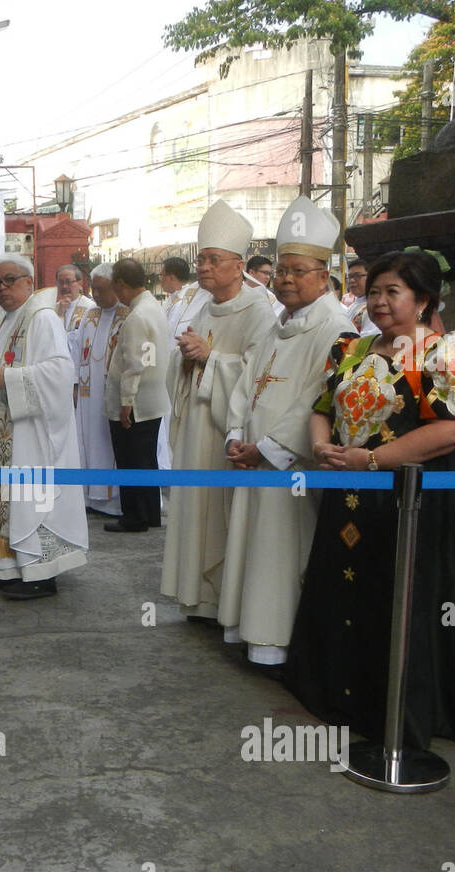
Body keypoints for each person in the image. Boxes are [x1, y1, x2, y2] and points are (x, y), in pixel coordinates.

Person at [285, 248, 455, 749]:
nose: (378, 301)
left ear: (422, 300)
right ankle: (340, 696)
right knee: (345, 586)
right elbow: (322, 407)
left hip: (411, 498)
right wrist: (320, 444)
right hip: (349, 490)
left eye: (392, 292)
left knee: (397, 594)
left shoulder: (447, 351)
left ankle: (395, 712)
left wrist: (374, 460)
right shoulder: (352, 348)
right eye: (373, 291)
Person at [219, 196, 356, 665]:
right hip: (254, 456)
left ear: (324, 276)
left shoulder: (336, 327)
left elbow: (319, 399)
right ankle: (247, 631)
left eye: (298, 271)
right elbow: (245, 381)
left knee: (279, 550)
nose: (286, 279)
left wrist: (270, 448)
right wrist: (235, 433)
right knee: (251, 542)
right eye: (281, 270)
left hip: (288, 464)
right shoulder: (281, 323)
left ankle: (276, 644)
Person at [161, 200, 278, 621]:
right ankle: (196, 596)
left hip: (225, 430)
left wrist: (211, 357)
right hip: (196, 425)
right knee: (194, 508)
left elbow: (258, 375)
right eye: (202, 259)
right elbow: (183, 362)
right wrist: (187, 358)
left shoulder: (259, 310)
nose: (204, 267)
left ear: (239, 265)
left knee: (221, 515)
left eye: (214, 260)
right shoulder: (202, 305)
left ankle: (219, 599)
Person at [0, 254, 88, 599]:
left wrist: (5, 378)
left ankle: (41, 573)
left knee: (34, 500)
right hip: (9, 429)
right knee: (10, 499)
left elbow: (60, 373)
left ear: (29, 282)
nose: (2, 288)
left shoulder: (42, 319)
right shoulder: (9, 320)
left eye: (10, 280)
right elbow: (0, 364)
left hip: (35, 435)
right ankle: (9, 566)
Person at [103, 257, 171, 533]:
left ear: (121, 284)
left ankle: (134, 517)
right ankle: (150, 513)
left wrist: (126, 403)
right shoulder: (153, 308)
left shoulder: (136, 317)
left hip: (137, 403)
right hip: (152, 399)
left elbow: (134, 364)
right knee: (146, 461)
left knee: (131, 460)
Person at [66, 264, 127, 516]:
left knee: (110, 446)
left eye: (102, 290)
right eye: (94, 289)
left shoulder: (128, 314)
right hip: (88, 393)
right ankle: (92, 497)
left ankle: (114, 502)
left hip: (112, 394)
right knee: (88, 442)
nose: (97, 295)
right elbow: (76, 351)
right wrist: (73, 384)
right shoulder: (89, 315)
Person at [160, 256, 200, 335]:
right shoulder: (174, 297)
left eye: (161, 275)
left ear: (171, 278)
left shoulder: (182, 301)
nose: (160, 279)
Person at [54, 264, 94, 333]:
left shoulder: (90, 307)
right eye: (60, 282)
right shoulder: (52, 308)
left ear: (79, 283)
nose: (64, 286)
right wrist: (59, 314)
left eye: (68, 282)